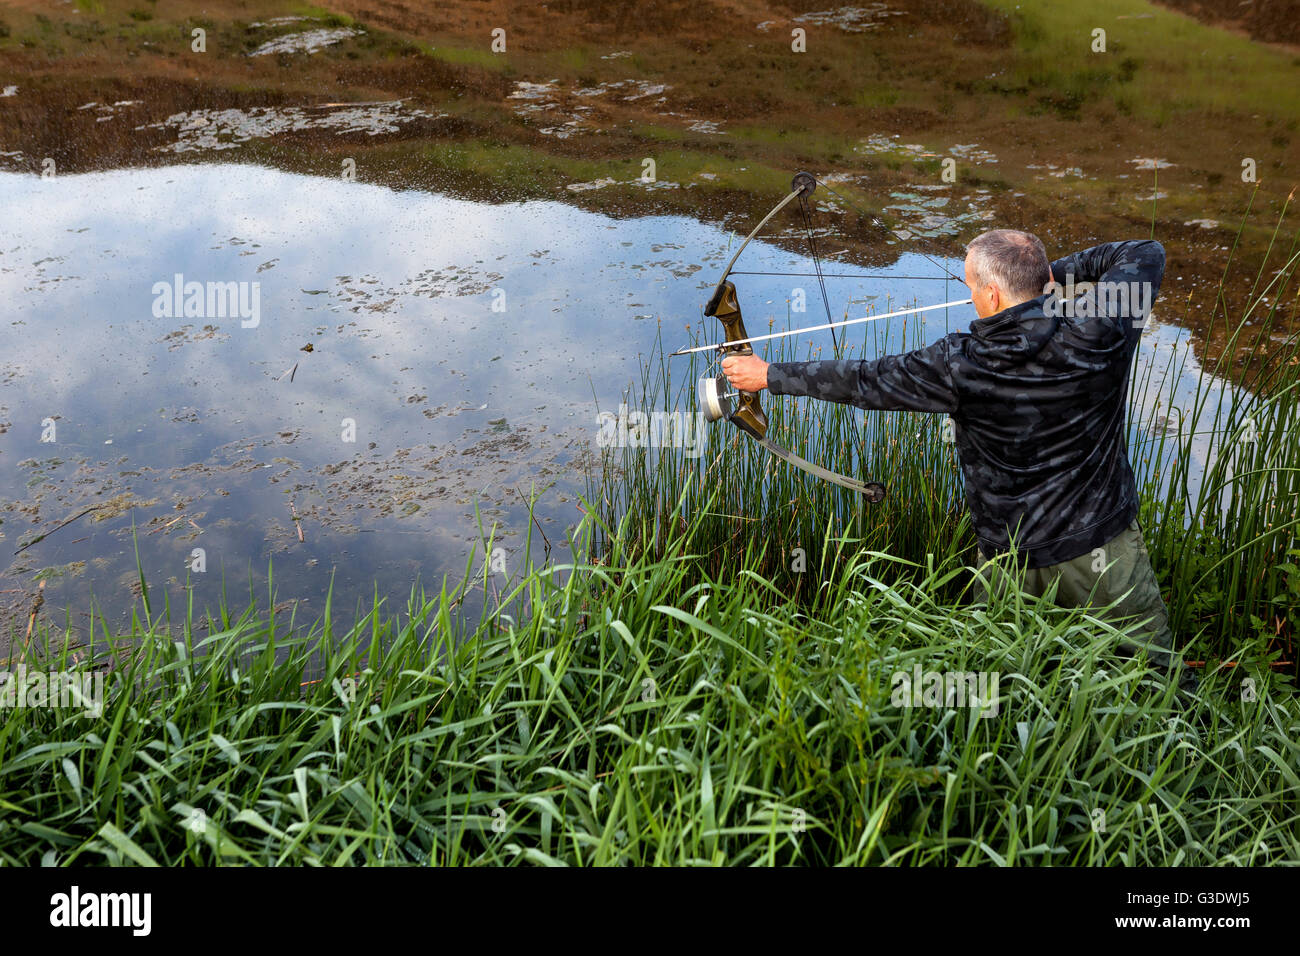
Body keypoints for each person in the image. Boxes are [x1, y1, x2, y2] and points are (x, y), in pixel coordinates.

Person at [720, 230, 1198, 693]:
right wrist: (1048, 275)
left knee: (993, 684)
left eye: (971, 286)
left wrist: (767, 376)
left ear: (991, 296)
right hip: (1102, 549)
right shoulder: (1102, 328)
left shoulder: (958, 363)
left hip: (1010, 558)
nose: (970, 296)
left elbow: (863, 381)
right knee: (1158, 681)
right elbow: (1145, 250)